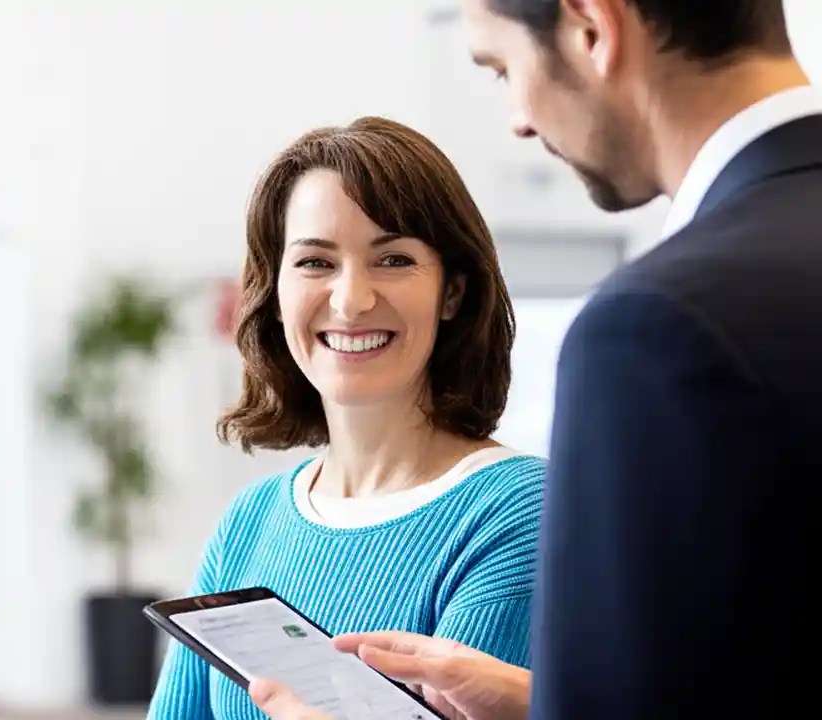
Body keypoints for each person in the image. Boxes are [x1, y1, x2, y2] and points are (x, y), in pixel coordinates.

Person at [249, 1, 822, 719]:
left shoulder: (659, 323)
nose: (519, 120)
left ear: (592, 28)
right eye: (313, 263)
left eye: (503, 69)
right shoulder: (256, 516)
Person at [146, 116, 546, 719]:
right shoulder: (250, 521)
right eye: (314, 262)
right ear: (275, 293)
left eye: (393, 260)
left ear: (453, 293)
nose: (351, 299)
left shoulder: (518, 513)